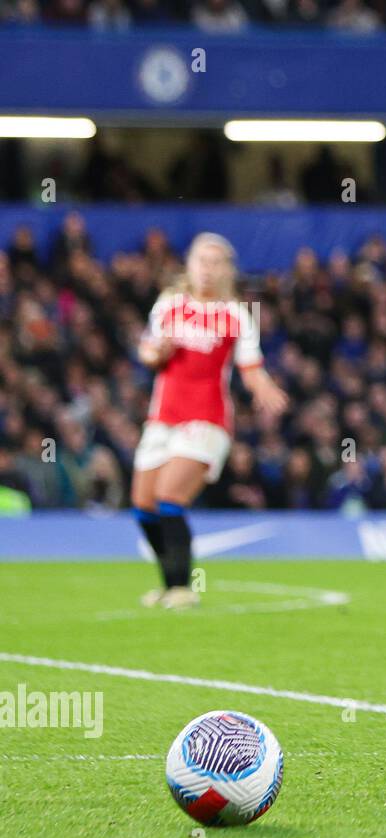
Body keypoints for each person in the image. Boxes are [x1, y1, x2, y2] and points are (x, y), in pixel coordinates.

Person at [132, 232, 287, 609]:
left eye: (216, 262)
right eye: (202, 261)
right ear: (190, 265)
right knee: (143, 506)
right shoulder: (169, 304)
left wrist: (263, 387)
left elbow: (251, 367)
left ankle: (184, 587)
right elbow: (149, 352)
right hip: (162, 417)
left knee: (169, 497)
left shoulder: (236, 314)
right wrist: (157, 352)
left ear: (227, 270)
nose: (208, 269)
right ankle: (169, 585)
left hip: (206, 420)